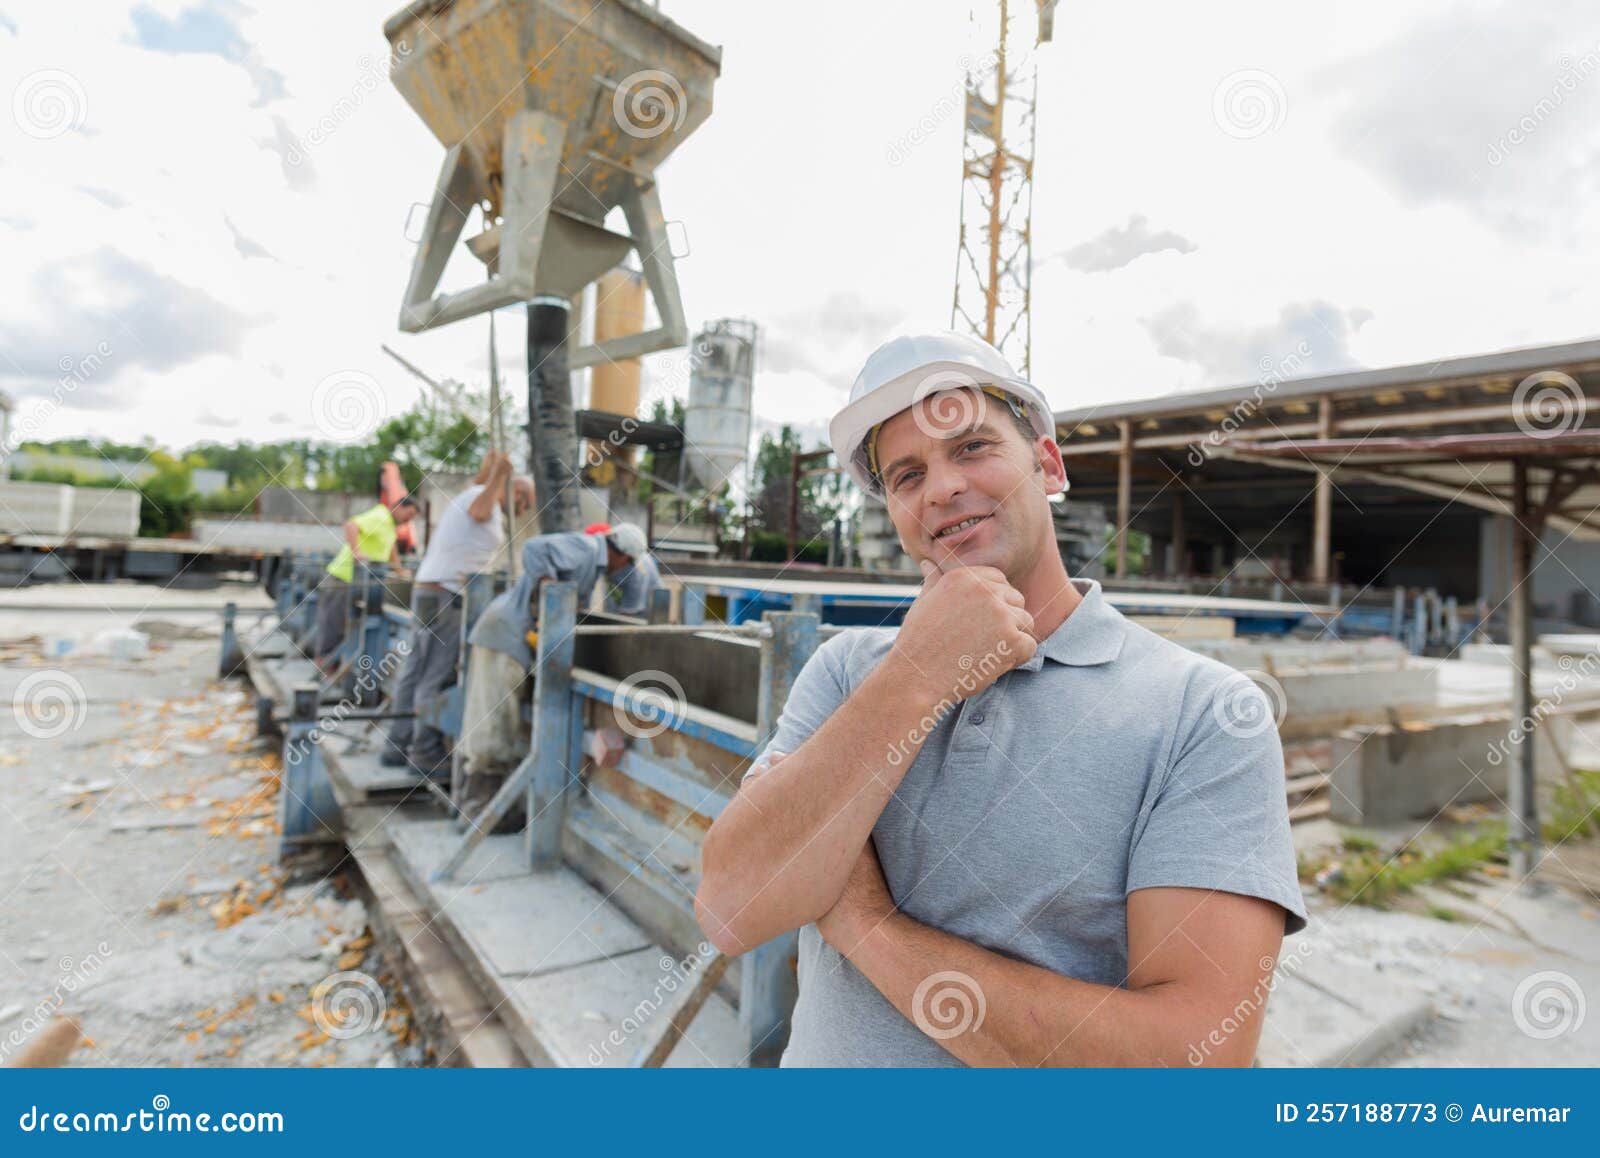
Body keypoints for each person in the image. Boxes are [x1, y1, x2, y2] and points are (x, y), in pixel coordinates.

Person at [695, 331, 1307, 1067]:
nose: (943, 487)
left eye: (973, 447)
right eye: (907, 474)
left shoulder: (1201, 714)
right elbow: (731, 908)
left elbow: (1193, 1061)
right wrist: (916, 673)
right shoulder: (849, 672)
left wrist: (861, 919)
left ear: (1047, 465)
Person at [454, 522, 652, 823]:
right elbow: (535, 547)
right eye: (626, 564)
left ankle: (475, 806)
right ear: (621, 555)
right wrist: (549, 584)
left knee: (493, 720)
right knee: (492, 724)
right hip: (506, 635)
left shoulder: (593, 564)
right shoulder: (587, 549)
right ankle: (478, 812)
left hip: (510, 637)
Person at [381, 451, 534, 776]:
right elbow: (480, 509)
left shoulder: (471, 494)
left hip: (429, 590)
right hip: (446, 598)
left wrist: (490, 473)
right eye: (524, 503)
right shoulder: (485, 503)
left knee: (414, 673)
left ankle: (396, 746)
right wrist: (499, 476)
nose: (522, 512)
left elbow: (477, 495)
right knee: (435, 675)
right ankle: (424, 757)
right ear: (516, 492)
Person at [314, 493, 417, 672]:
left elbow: (390, 547)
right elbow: (351, 525)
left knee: (347, 622)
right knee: (333, 622)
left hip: (359, 581)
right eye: (409, 514)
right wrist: (357, 552)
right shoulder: (381, 516)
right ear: (398, 507)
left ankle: (337, 666)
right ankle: (325, 666)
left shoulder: (390, 526)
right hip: (344, 577)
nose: (409, 520)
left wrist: (399, 570)